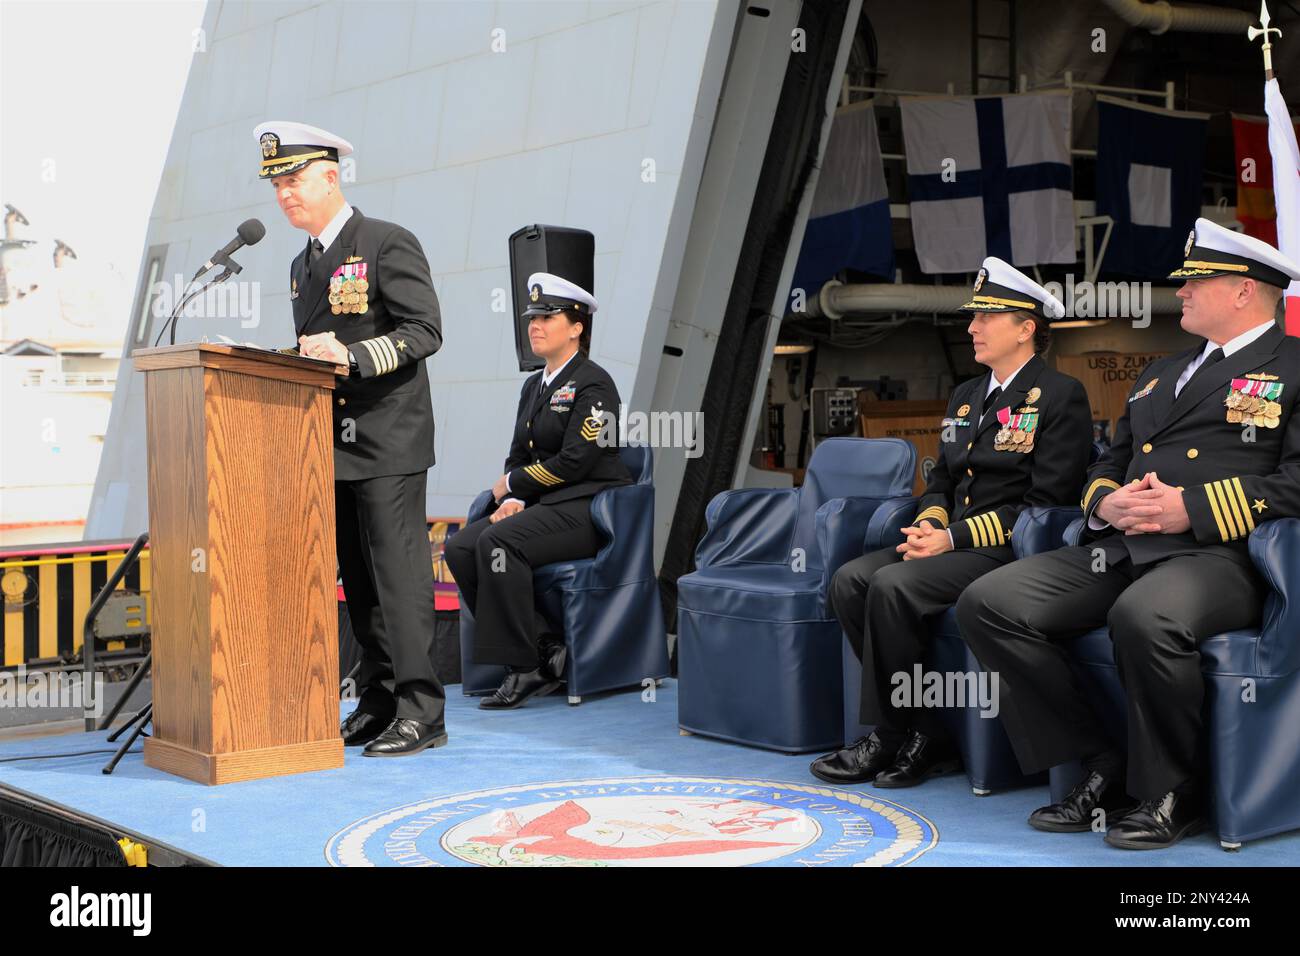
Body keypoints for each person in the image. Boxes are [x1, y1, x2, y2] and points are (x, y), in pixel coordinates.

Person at [956, 219, 1300, 849]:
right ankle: (1096, 762)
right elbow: (1106, 461)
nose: (1182, 294)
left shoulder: (1294, 366)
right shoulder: (1156, 373)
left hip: (1221, 556)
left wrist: (1191, 508)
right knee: (989, 603)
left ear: (1244, 291)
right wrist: (1107, 503)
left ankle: (1172, 792)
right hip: (1120, 544)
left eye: (1196, 283)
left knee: (1145, 616)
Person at [810, 258, 1093, 788]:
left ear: (1026, 328)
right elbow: (941, 479)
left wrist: (953, 537)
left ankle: (887, 736)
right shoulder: (965, 397)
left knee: (892, 585)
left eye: (987, 316)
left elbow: (1048, 503)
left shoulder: (1060, 396)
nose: (972, 328)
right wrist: (930, 525)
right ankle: (924, 730)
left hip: (1007, 549)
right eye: (974, 317)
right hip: (948, 540)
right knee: (851, 579)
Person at [256, 120, 447, 757]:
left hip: (388, 440)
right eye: (276, 183)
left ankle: (423, 709)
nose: (285, 193)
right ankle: (379, 698)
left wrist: (353, 355)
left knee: (398, 578)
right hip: (329, 447)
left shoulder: (387, 242)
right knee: (359, 584)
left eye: (295, 178)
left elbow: (424, 332)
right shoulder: (298, 264)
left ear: (331, 175)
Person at [443, 270, 631, 709]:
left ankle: (524, 667)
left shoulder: (595, 384)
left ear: (577, 327)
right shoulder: (534, 385)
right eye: (533, 317)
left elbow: (576, 461)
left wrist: (513, 485)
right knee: (462, 548)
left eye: (548, 316)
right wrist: (512, 499)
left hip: (587, 508)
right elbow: (518, 454)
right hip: (543, 507)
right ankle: (546, 648)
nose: (535, 325)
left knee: (498, 542)